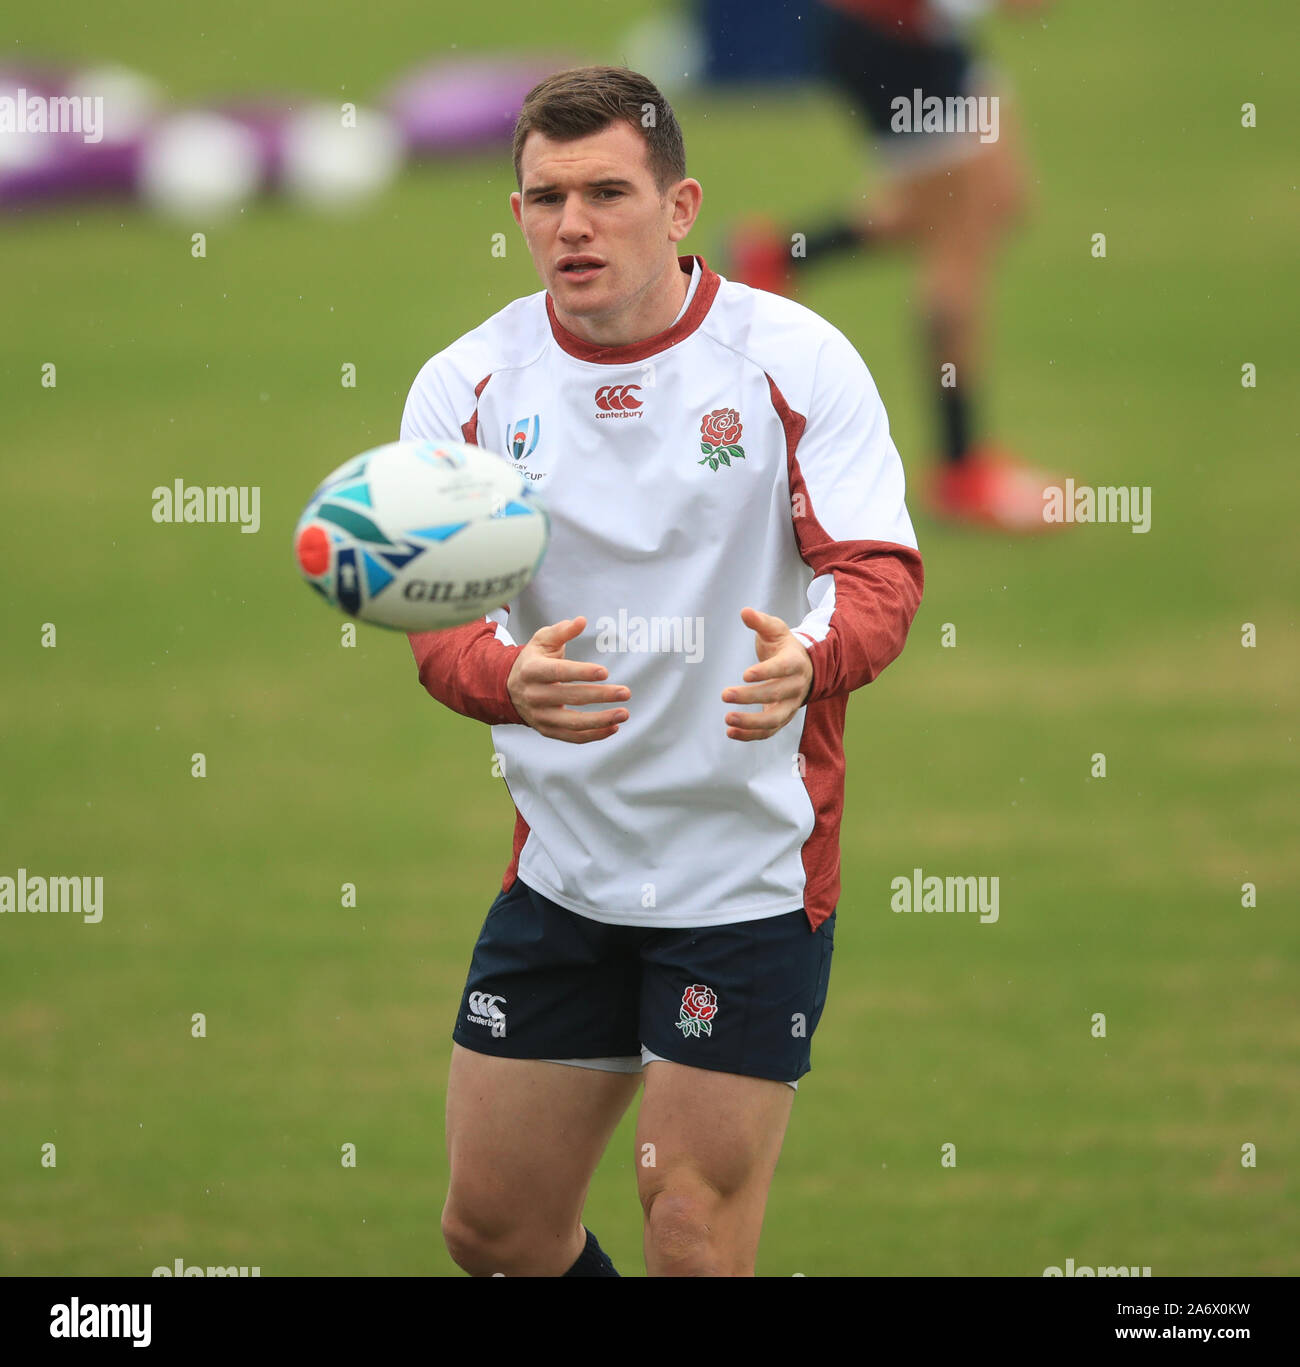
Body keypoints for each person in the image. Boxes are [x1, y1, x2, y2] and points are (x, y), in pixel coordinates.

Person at [401, 65, 923, 1277]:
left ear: (679, 206)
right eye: (543, 197)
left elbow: (878, 574)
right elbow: (437, 618)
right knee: (493, 1233)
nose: (571, 225)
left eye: (605, 193)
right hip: (567, 875)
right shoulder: (468, 387)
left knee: (690, 1230)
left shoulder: (791, 360)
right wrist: (498, 677)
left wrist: (814, 655)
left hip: (744, 875)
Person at [730, 0, 1061, 531]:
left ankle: (783, 253)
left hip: (921, 35)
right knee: (957, 241)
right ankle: (961, 472)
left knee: (997, 196)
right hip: (895, 37)